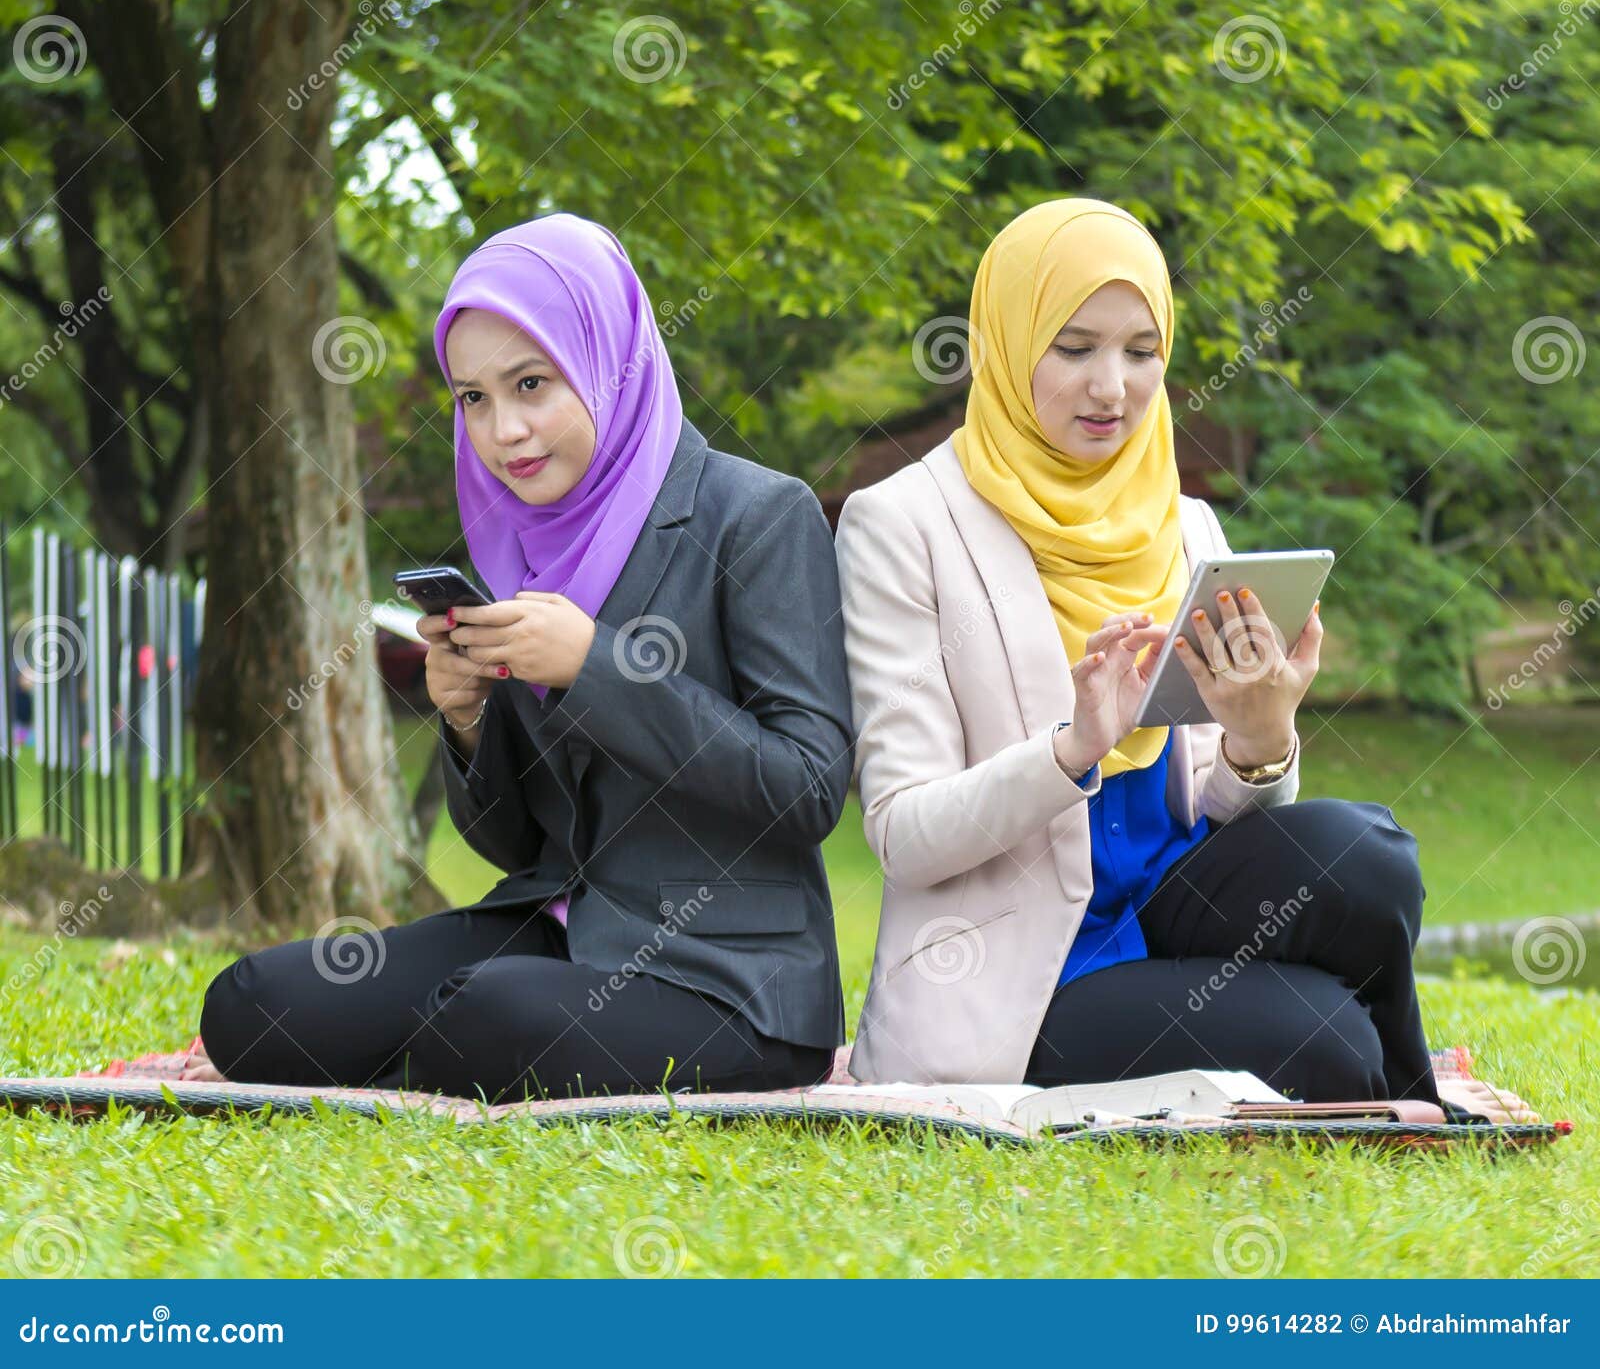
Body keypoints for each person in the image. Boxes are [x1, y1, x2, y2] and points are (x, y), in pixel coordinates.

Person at [834, 197, 1531, 1122]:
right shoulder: (902, 526)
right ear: (1004, 342)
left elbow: (1216, 811)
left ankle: (1398, 1085)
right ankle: (1397, 1088)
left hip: (1173, 911)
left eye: (1142, 352)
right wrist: (1072, 749)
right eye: (1073, 348)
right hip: (1028, 977)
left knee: (1373, 856)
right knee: (1329, 1044)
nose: (1112, 388)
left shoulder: (1183, 520)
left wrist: (1260, 739)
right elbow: (904, 834)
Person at [196, 213, 854, 1103]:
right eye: (473, 398)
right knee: (251, 1005)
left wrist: (596, 668)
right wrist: (468, 721)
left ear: (606, 361)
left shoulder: (758, 516)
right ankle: (443, 1052)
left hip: (727, 978)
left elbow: (808, 789)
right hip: (553, 932)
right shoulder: (517, 544)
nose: (504, 431)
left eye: (531, 384)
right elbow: (513, 844)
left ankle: (441, 1052)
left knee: (483, 1015)